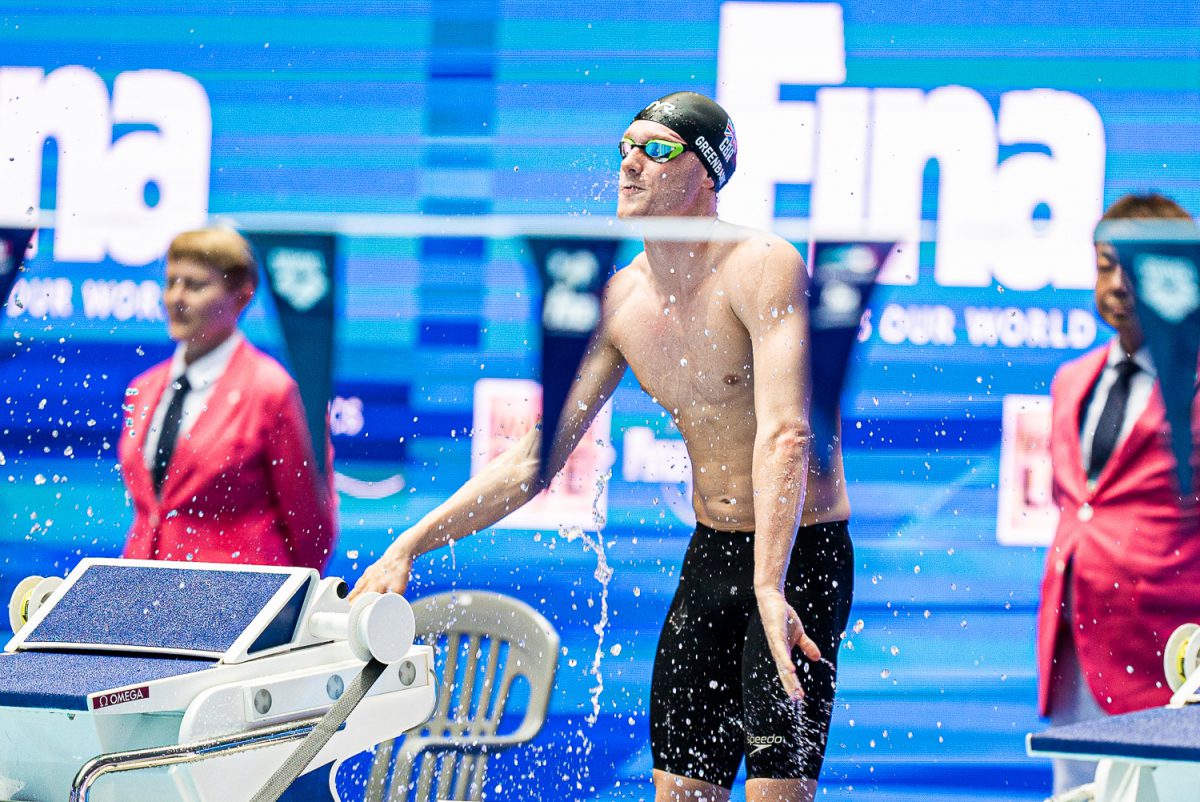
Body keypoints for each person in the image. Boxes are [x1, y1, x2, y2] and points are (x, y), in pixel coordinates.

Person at [355, 92, 853, 802]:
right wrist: (408, 543)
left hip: (800, 553)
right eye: (624, 147)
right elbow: (536, 458)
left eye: (656, 149)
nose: (629, 163)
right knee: (678, 789)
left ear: (708, 173)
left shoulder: (762, 264)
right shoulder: (620, 301)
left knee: (777, 792)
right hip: (713, 553)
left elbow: (787, 434)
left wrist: (770, 585)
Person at [1036, 193, 1200, 793]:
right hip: (1074, 645)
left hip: (1177, 654)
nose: (1119, 282)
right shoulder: (1071, 381)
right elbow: (1082, 507)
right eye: (1106, 264)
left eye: (1136, 265)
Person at [119, 226, 337, 572]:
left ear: (241, 295)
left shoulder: (271, 390)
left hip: (237, 604)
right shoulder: (143, 389)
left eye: (195, 285)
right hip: (143, 594)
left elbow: (310, 527)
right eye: (171, 282)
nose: (177, 297)